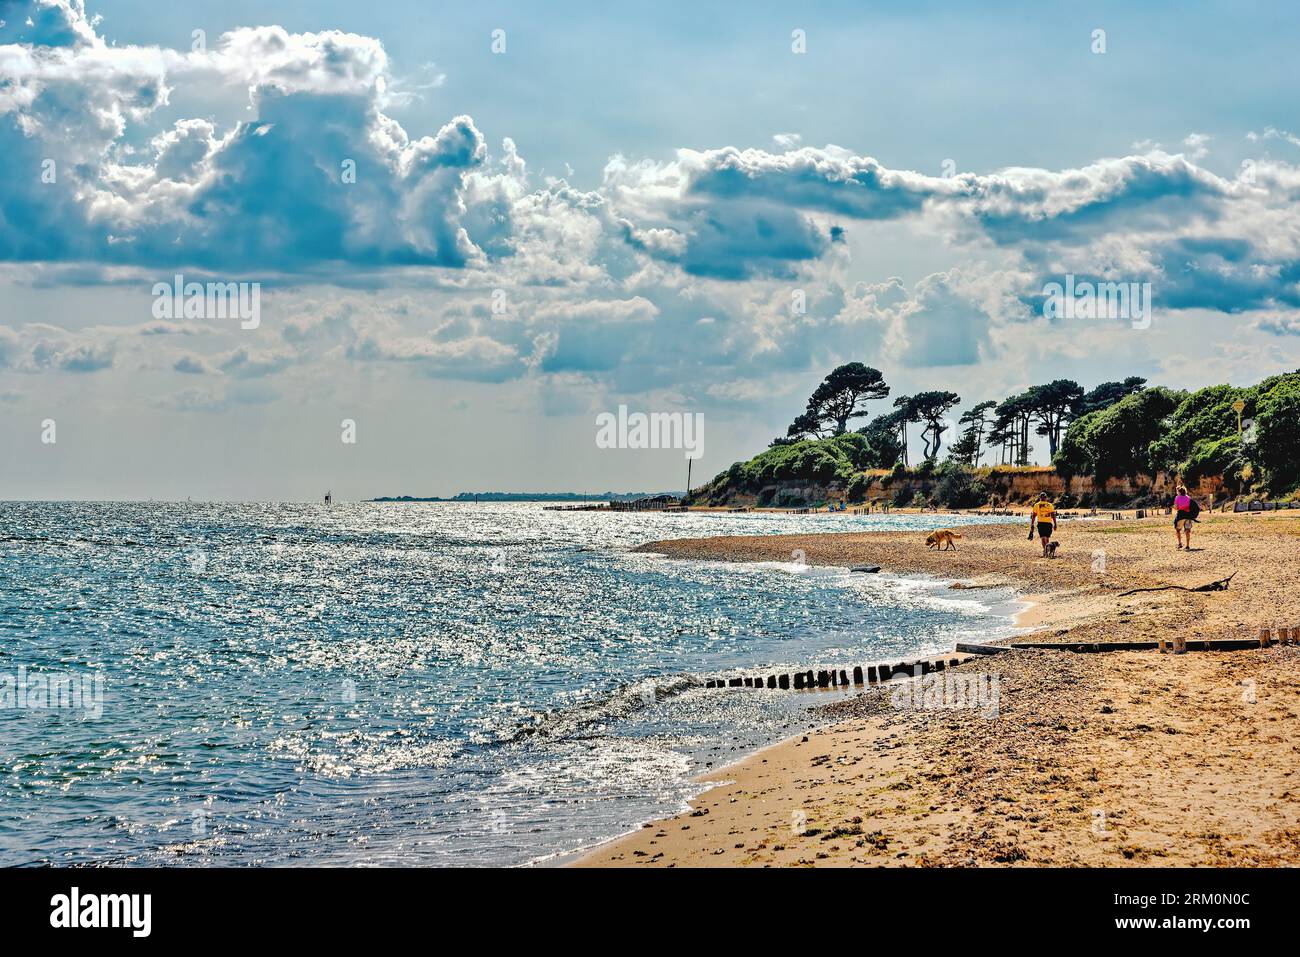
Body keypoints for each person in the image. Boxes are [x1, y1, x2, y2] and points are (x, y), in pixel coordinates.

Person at [1029, 492, 1057, 558]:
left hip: (1041, 523)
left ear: (1040, 498)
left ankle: (1045, 550)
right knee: (1047, 538)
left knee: (1043, 538)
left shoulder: (1036, 505)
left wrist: (1032, 524)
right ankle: (1047, 551)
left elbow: (1034, 516)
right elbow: (1053, 515)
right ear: (1046, 498)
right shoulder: (1050, 505)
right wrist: (1055, 524)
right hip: (1048, 523)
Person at [1173, 485, 1195, 550]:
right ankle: (1187, 546)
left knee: (1177, 529)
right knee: (1187, 531)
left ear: (1179, 492)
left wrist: (1176, 508)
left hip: (1181, 516)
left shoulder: (1177, 497)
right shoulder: (1188, 497)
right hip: (1188, 516)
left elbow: (1176, 507)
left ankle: (1180, 544)